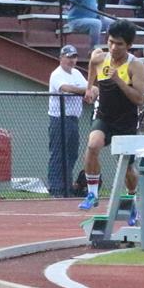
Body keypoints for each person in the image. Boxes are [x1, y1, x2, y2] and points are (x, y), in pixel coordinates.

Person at [80, 21, 144, 212]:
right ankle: (92, 193)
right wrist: (90, 88)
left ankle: (131, 199)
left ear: (129, 46)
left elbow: (139, 98)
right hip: (104, 117)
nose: (113, 47)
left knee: (125, 167)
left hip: (126, 121)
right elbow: (92, 67)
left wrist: (118, 80)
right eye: (110, 42)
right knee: (93, 145)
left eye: (119, 44)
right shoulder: (100, 57)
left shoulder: (135, 66)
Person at [48, 45, 88, 198]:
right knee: (58, 153)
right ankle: (56, 189)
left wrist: (92, 90)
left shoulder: (77, 73)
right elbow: (66, 88)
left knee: (72, 153)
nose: (72, 60)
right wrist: (86, 90)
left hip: (73, 118)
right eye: (69, 57)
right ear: (61, 58)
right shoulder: (56, 74)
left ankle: (67, 186)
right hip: (59, 119)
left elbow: (89, 87)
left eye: (74, 57)